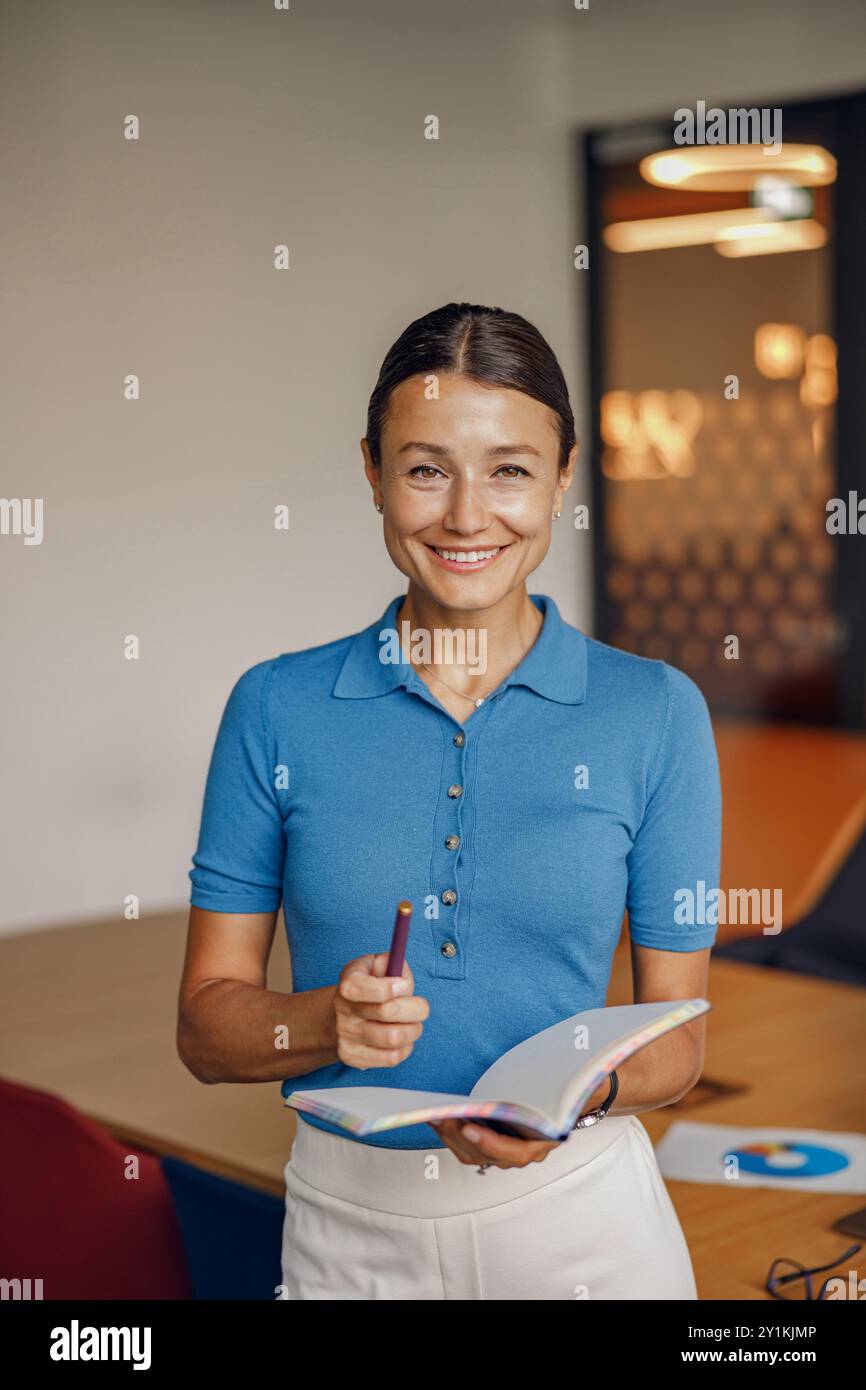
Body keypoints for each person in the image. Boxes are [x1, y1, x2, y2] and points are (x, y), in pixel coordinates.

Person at [177, 302, 721, 1300]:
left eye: (510, 468)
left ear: (563, 477)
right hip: (347, 1233)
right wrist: (320, 1022)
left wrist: (572, 1094)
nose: (468, 517)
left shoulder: (654, 712)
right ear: (372, 473)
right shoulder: (275, 707)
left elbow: (678, 1042)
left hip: (583, 1228)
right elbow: (206, 1030)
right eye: (426, 468)